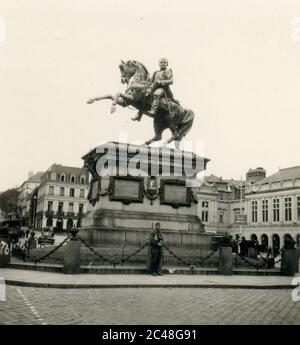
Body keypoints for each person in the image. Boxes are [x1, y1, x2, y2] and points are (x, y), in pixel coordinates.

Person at [131, 58, 177, 122]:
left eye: (164, 62)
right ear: (159, 64)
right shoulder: (156, 72)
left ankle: (153, 110)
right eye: (161, 62)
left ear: (167, 64)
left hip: (163, 88)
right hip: (154, 87)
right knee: (145, 96)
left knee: (156, 93)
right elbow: (151, 81)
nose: (162, 64)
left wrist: (161, 82)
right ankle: (139, 114)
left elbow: (171, 81)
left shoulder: (168, 71)